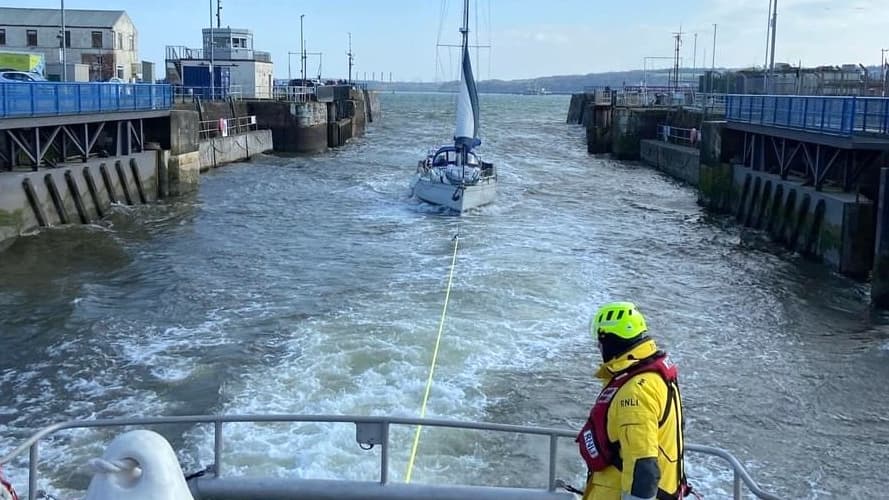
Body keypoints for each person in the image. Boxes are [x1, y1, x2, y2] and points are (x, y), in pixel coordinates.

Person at [576, 302, 688, 500]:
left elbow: (643, 467)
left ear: (610, 341)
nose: (598, 347)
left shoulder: (635, 392)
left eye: (600, 341)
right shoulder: (652, 377)